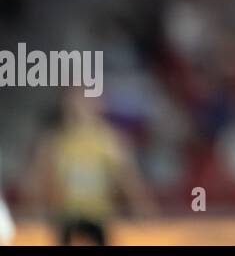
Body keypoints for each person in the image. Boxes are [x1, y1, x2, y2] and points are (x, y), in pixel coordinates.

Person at [26, 92, 155, 245]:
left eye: (86, 100)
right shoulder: (55, 142)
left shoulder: (110, 141)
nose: (81, 105)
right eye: (76, 99)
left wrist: (142, 208)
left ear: (100, 104)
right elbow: (38, 180)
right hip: (66, 217)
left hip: (99, 217)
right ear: (65, 104)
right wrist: (35, 211)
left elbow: (129, 179)